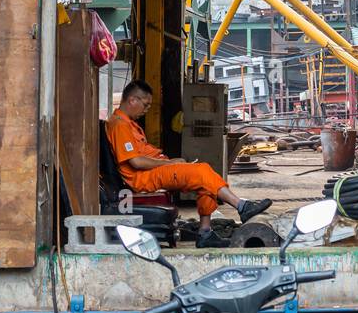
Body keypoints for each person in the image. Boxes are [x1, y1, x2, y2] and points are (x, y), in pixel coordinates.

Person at [106, 80, 271, 248]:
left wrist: (169, 162)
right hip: (142, 178)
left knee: (205, 178)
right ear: (132, 100)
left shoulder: (129, 124)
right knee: (200, 172)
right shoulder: (119, 125)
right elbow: (136, 161)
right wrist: (168, 163)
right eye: (145, 105)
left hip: (152, 171)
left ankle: (205, 233)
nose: (147, 110)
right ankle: (241, 206)